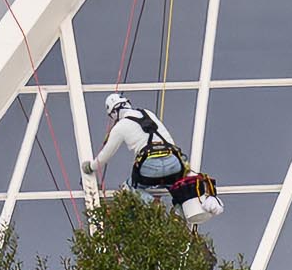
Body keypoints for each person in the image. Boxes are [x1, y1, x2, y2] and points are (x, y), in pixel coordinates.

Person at [84, 93, 216, 220]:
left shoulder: (120, 126)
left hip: (149, 166)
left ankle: (153, 204)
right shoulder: (148, 113)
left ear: (113, 113)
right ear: (127, 103)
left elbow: (105, 155)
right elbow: (168, 139)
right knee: (177, 187)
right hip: (173, 161)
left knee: (129, 188)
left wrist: (91, 167)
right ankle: (178, 214)